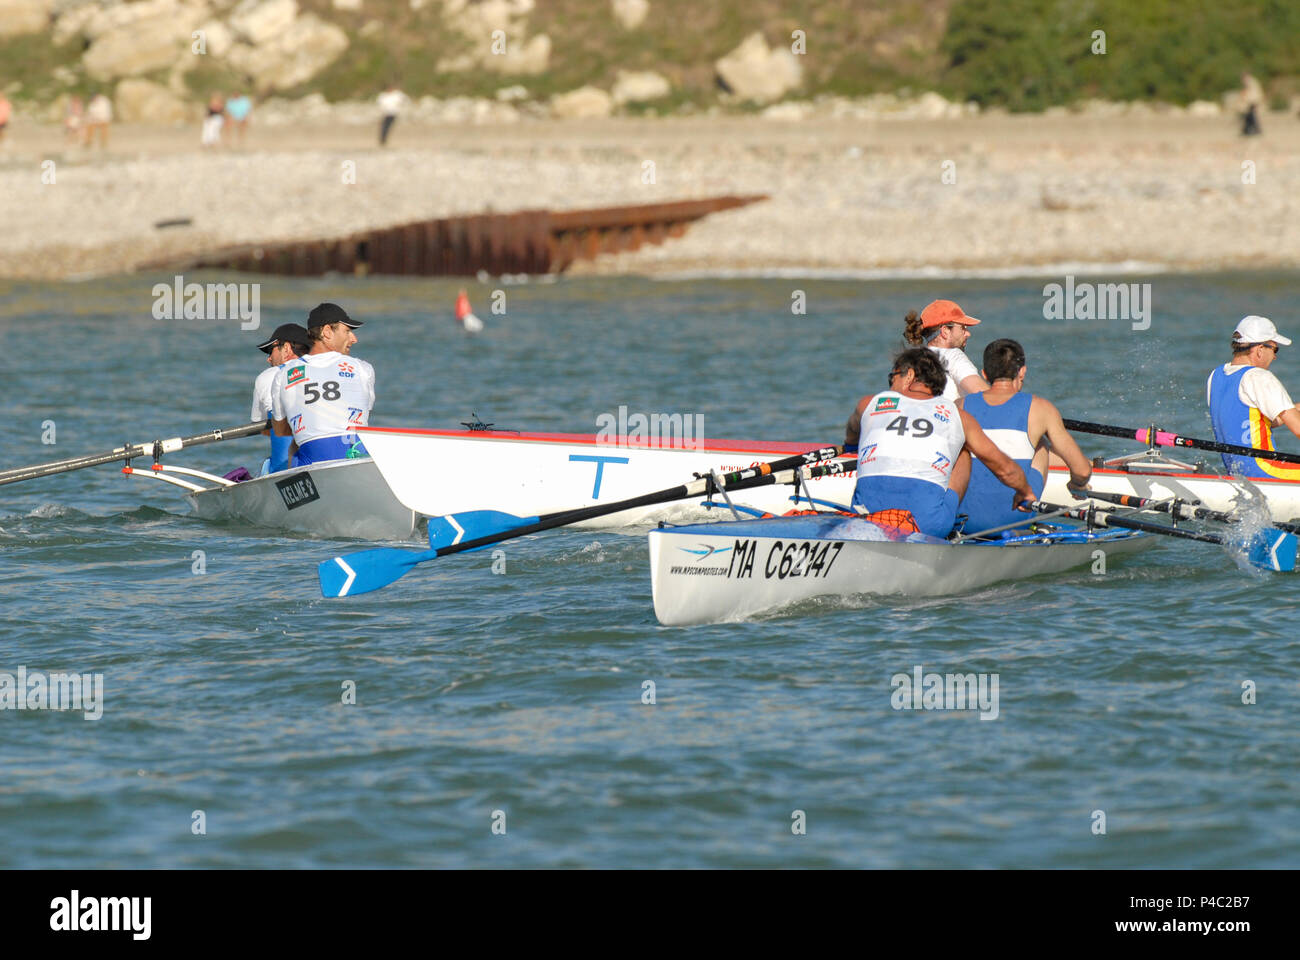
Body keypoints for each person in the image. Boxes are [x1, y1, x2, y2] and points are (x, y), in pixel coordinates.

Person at [844, 347, 1034, 538]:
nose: (891, 383)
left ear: (909, 375)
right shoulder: (959, 416)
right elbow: (1004, 468)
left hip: (865, 517)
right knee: (962, 450)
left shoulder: (868, 403)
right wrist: (1025, 492)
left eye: (892, 377)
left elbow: (852, 431)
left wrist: (851, 446)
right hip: (925, 525)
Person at [958, 339, 1093, 534]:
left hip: (962, 520)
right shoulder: (1041, 408)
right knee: (1041, 443)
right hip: (1014, 517)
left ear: (984, 374)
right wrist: (1077, 485)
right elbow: (1082, 470)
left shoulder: (959, 406)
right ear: (1022, 372)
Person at [271, 303, 376, 466]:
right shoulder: (363, 369)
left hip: (314, 458)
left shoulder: (284, 374)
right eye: (347, 331)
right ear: (327, 332)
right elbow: (364, 415)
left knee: (292, 446)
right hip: (356, 455)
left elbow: (280, 431)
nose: (354, 339)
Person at [1206, 315, 1300, 479]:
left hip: (1237, 473)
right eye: (1274, 349)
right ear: (1260, 350)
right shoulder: (1259, 377)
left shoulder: (1216, 376)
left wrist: (1295, 408)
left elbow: (1249, 423)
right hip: (1264, 469)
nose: (1275, 356)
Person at [902, 299, 991, 402]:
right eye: (963, 327)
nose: (967, 333)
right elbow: (985, 397)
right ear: (945, 331)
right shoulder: (953, 356)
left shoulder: (913, 360)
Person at [251, 323, 310, 474]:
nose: (269, 359)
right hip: (333, 459)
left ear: (287, 349)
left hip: (286, 471)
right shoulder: (328, 371)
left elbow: (262, 428)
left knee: (266, 465)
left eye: (271, 351)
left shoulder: (267, 377)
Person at [1240, 71, 1263, 136]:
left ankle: (1251, 129)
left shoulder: (1249, 81)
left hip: (1252, 99)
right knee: (1251, 114)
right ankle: (1249, 129)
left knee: (1251, 115)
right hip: (1254, 99)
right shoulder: (1253, 81)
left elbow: (1248, 90)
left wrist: (1243, 96)